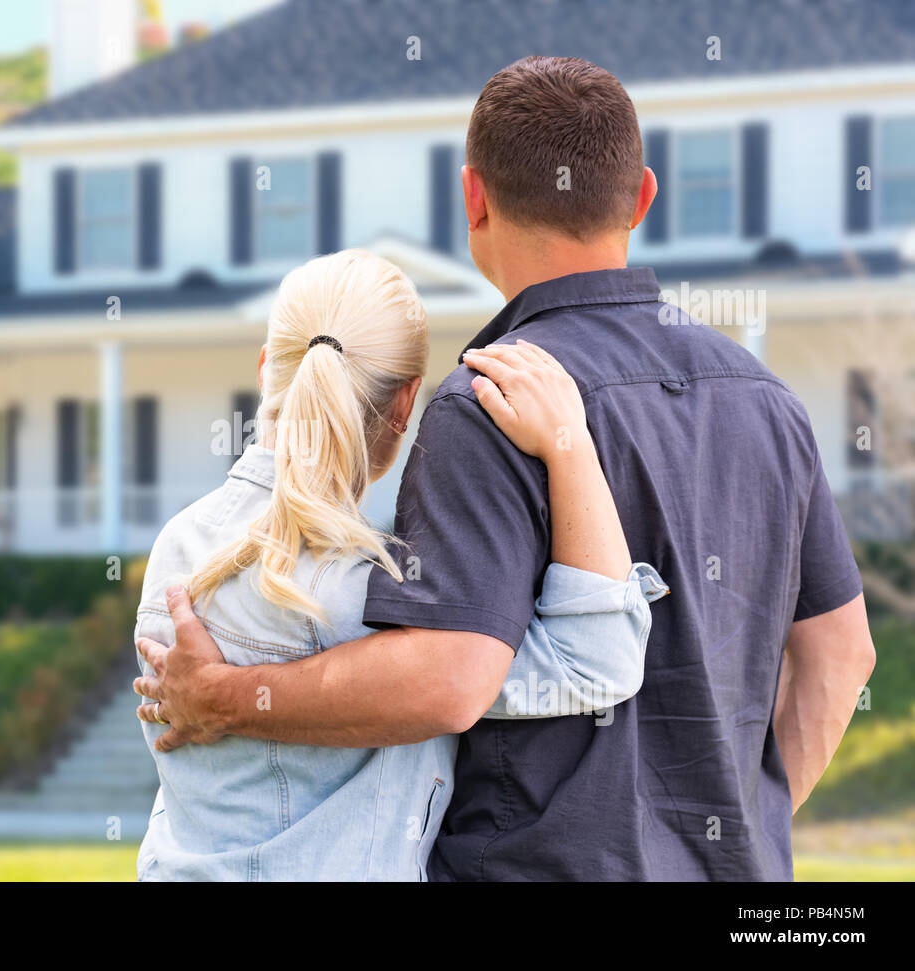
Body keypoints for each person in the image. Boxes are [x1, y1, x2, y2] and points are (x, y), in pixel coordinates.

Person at [135, 56, 875, 881]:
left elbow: (448, 675)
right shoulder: (769, 402)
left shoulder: (486, 401)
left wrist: (232, 696)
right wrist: (736, 829)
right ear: (642, 199)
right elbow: (842, 655)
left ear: (473, 199)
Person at [134, 248, 665, 881]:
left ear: (263, 369)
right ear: (407, 404)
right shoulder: (377, 593)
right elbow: (595, 658)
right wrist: (568, 445)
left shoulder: (177, 545)